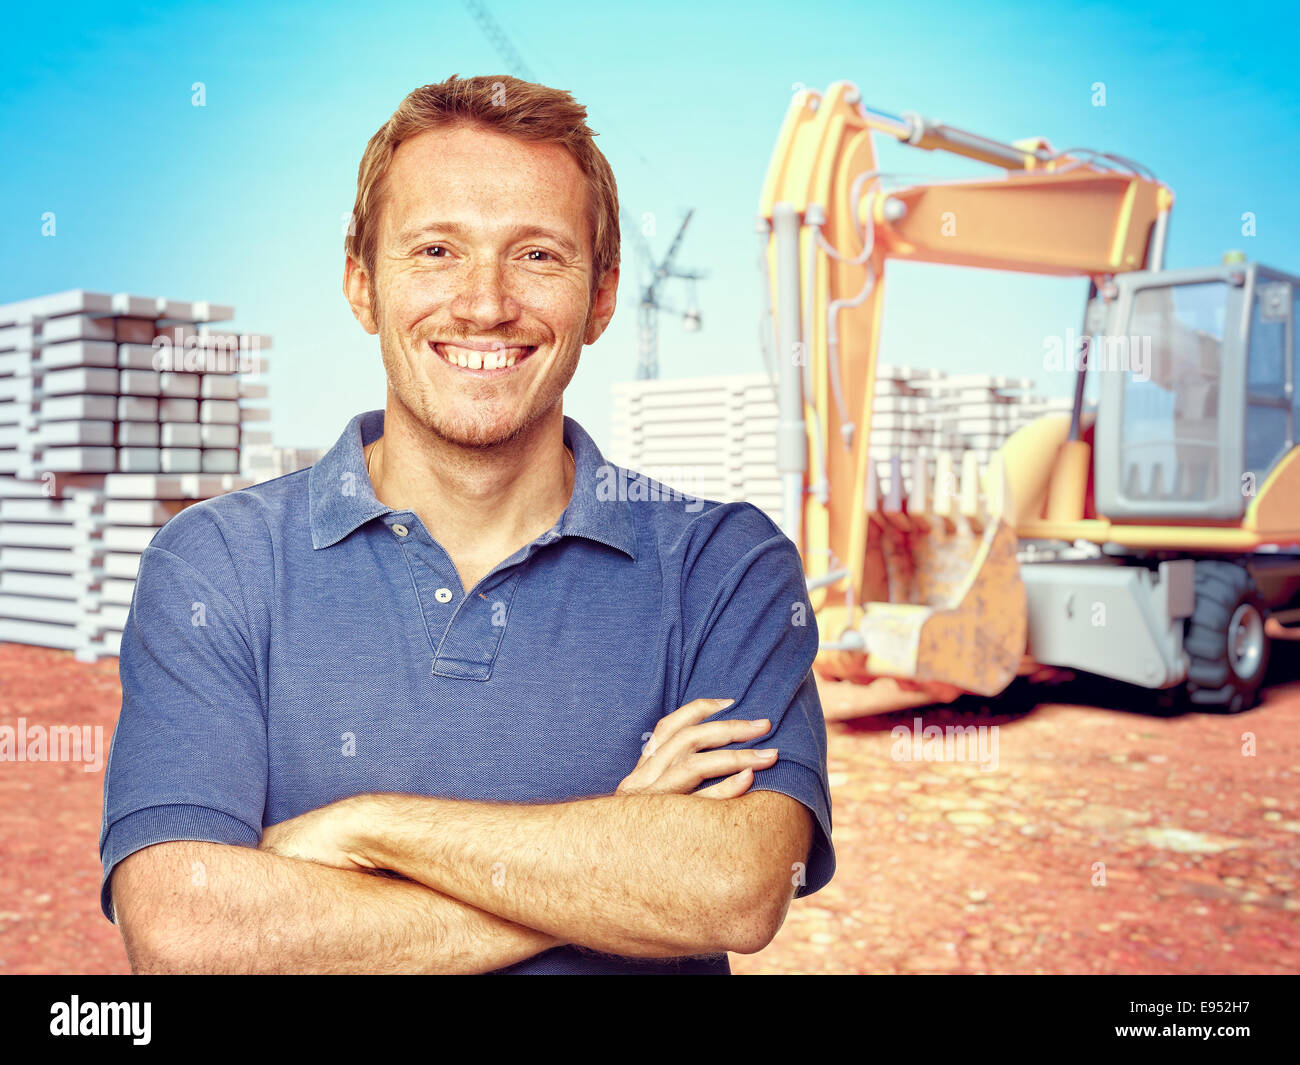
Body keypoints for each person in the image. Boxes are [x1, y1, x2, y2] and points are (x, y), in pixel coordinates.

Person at [99, 73, 834, 974]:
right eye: (437, 250)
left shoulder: (724, 565)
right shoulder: (216, 566)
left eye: (537, 255)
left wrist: (368, 828)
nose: (485, 304)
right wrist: (617, 860)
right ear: (361, 285)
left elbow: (737, 886)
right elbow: (187, 934)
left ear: (602, 296)